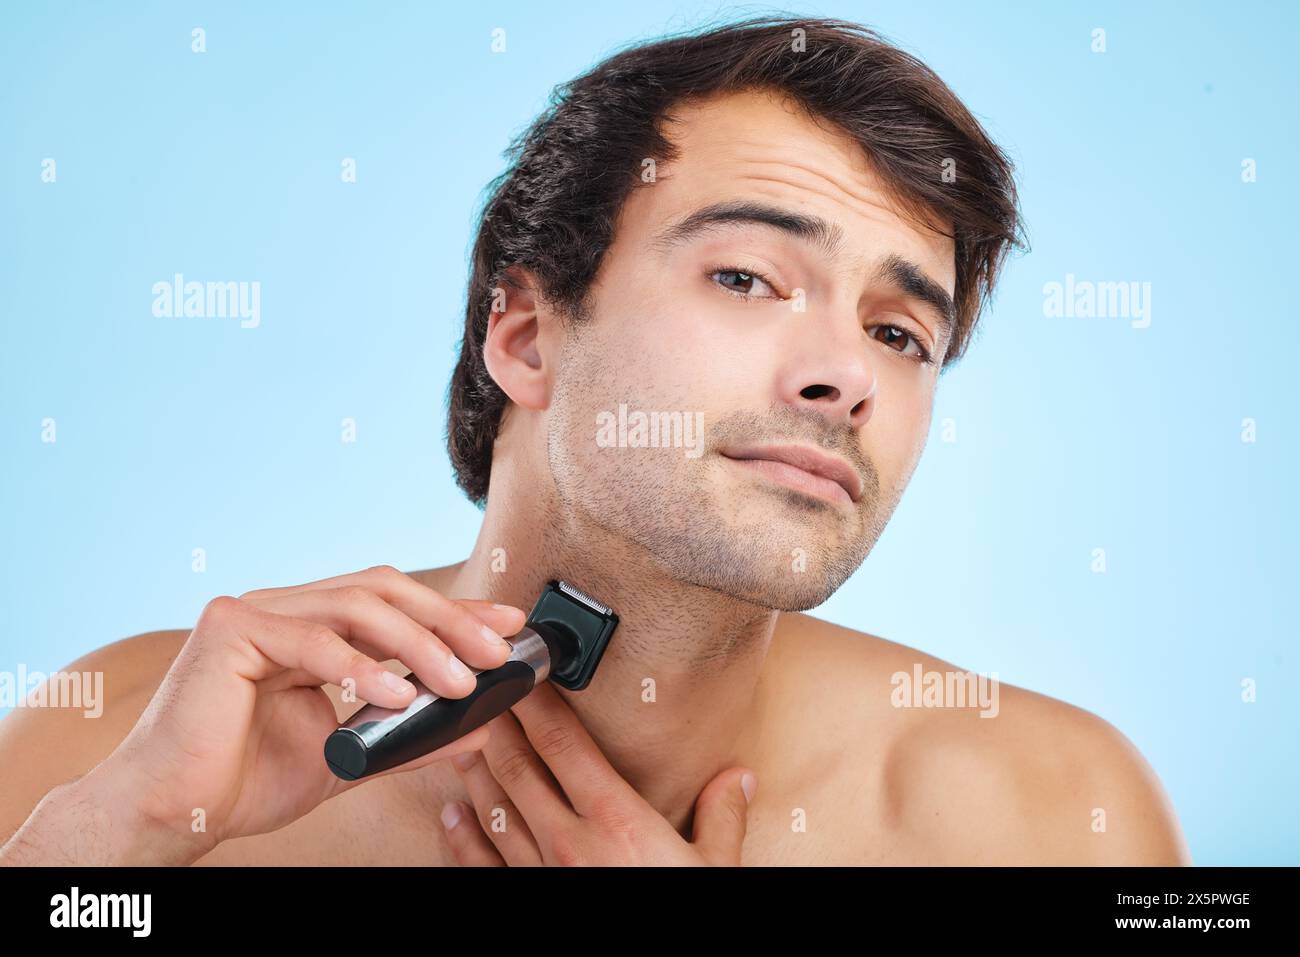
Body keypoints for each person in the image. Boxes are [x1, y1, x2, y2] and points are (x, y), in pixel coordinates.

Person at [0, 16, 1190, 866]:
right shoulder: (111, 744)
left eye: (899, 331)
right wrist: (109, 848)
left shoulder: (1050, 815)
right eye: (744, 275)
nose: (845, 374)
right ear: (522, 339)